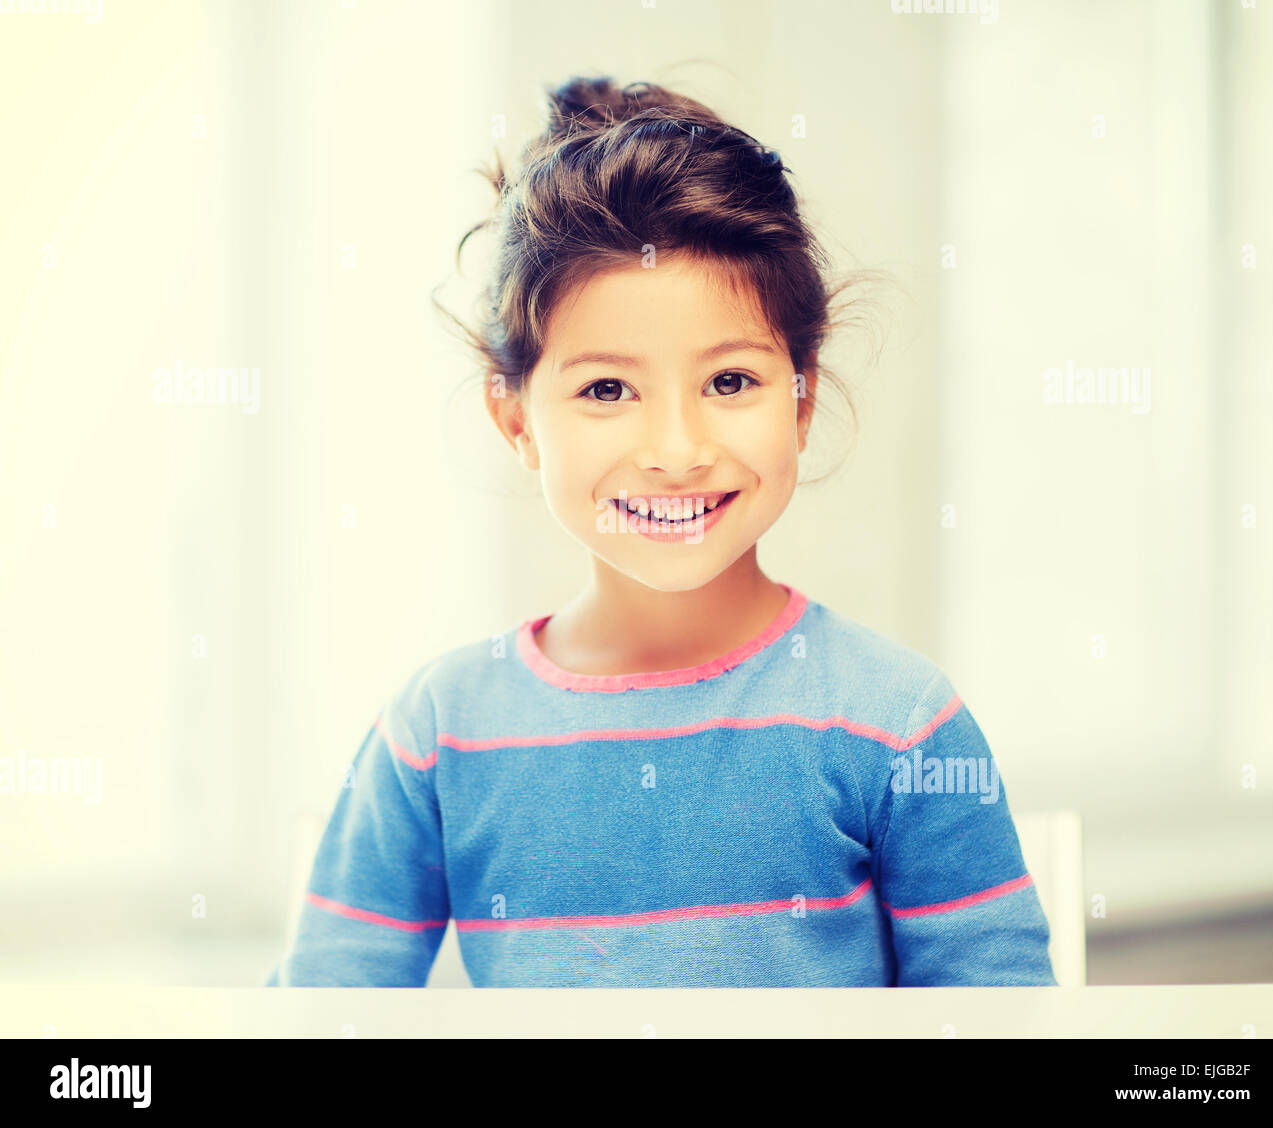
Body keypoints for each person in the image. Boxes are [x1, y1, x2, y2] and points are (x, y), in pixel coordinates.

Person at [264, 76, 1056, 988]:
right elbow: (325, 1014)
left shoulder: (900, 724)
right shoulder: (440, 733)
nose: (676, 452)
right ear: (516, 420)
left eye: (729, 383)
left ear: (801, 399)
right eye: (607, 390)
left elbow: (1002, 1022)